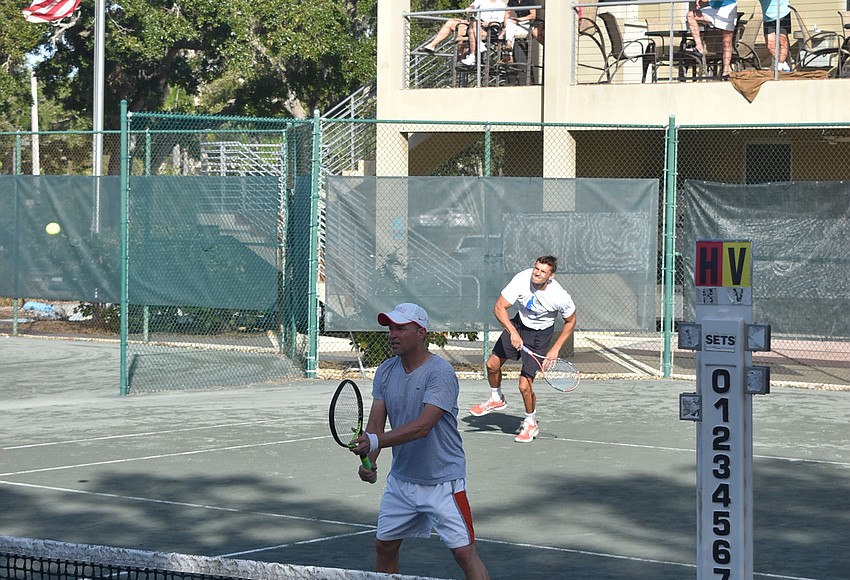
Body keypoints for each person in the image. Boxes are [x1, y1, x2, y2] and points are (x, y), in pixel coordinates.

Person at [350, 303, 490, 580]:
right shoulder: (386, 371)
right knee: (385, 546)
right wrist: (371, 460)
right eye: (390, 328)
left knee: (464, 553)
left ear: (420, 332)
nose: (392, 334)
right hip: (401, 481)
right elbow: (376, 423)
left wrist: (375, 441)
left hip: (442, 483)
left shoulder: (440, 373)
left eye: (400, 328)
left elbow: (423, 426)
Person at [469, 256, 576, 444]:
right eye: (536, 268)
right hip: (518, 325)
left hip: (540, 336)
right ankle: (496, 398)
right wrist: (512, 332)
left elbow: (571, 321)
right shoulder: (521, 279)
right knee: (491, 365)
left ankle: (530, 422)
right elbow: (499, 307)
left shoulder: (560, 296)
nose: (537, 273)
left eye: (543, 271)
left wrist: (555, 348)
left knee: (524, 385)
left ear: (551, 276)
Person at [686, 0, 739, 80]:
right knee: (690, 15)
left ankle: (725, 71)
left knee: (727, 42)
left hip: (727, 9)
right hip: (713, 8)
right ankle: (699, 47)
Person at [461, 0, 509, 67]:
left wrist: (489, 23)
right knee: (473, 27)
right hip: (479, 26)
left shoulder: (501, 4)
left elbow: (501, 20)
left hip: (492, 28)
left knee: (472, 30)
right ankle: (478, 47)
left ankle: (473, 55)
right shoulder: (482, 0)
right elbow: (474, 5)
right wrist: (470, 8)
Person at [759, 0, 791, 72]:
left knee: (782, 41)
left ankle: (779, 65)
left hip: (782, 12)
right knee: (770, 44)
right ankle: (783, 64)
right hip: (768, 16)